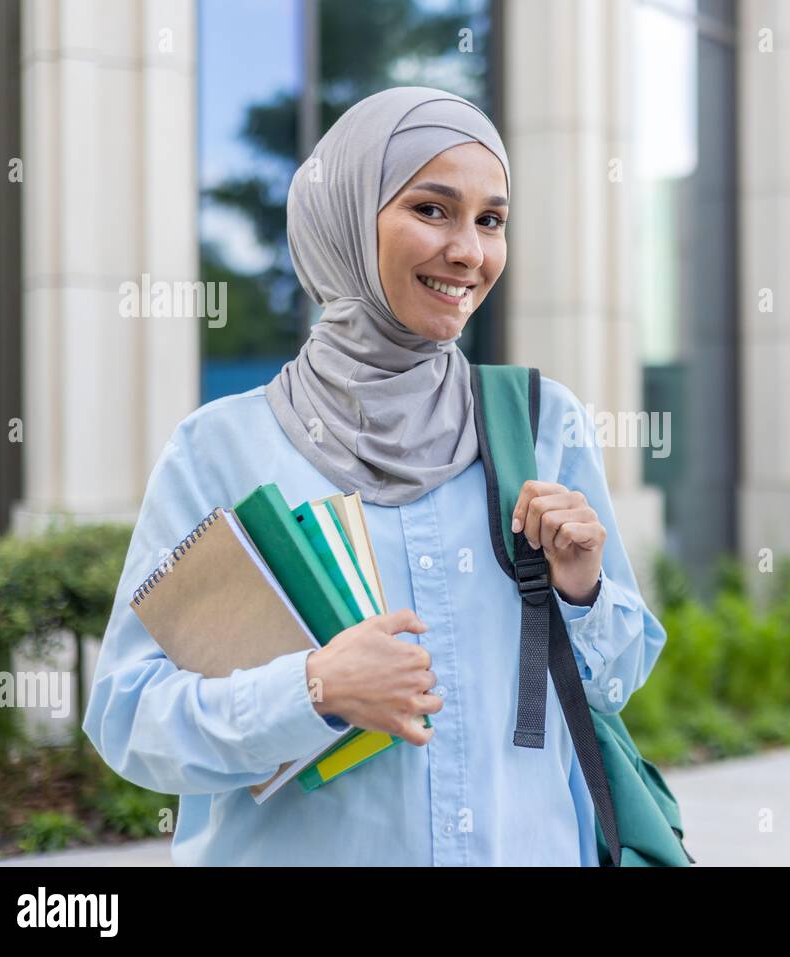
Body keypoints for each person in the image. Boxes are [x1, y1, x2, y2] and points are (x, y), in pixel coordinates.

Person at [83, 86, 669, 866]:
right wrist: (313, 689)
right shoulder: (221, 449)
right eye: (432, 209)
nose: (469, 251)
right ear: (350, 221)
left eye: (490, 220)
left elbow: (610, 683)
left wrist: (583, 591)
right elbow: (130, 717)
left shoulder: (538, 425)